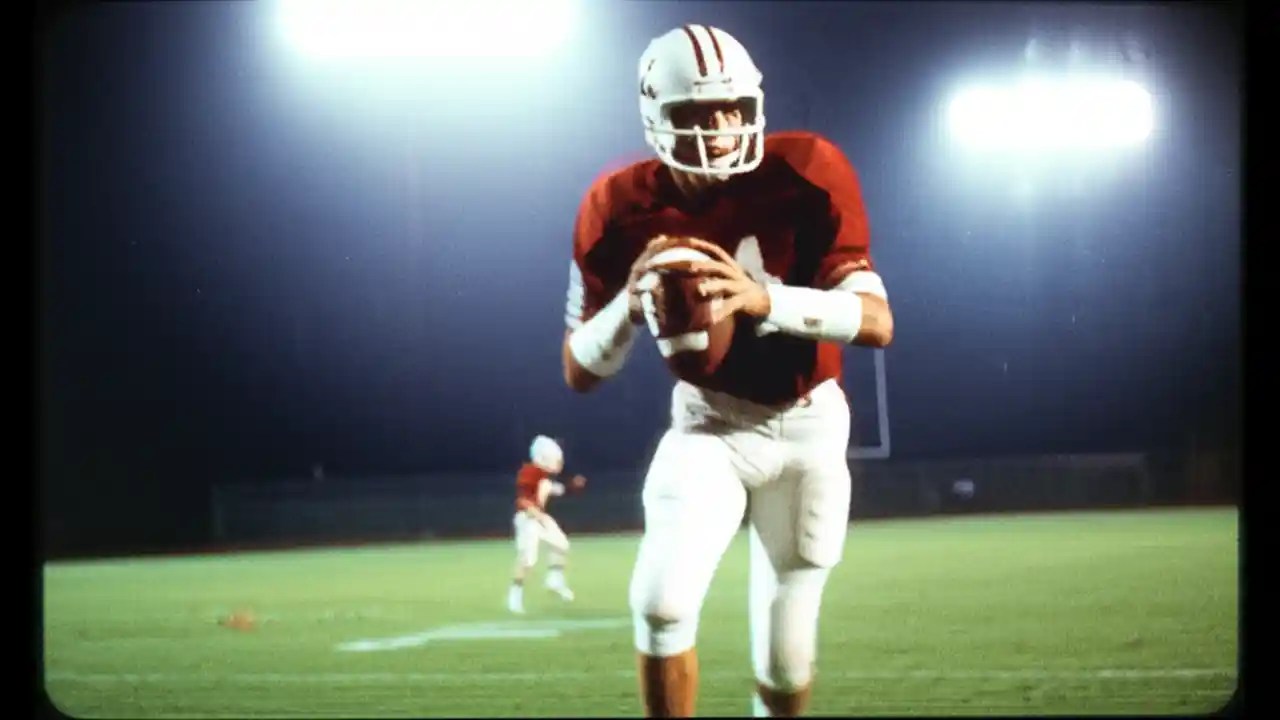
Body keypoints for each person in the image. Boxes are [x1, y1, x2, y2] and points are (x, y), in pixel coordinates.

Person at [559, 24, 895, 717]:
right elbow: (579, 371)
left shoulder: (806, 170)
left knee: (785, 653)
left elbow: (876, 321)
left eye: (732, 110)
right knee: (660, 602)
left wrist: (762, 299)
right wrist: (629, 302)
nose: (719, 130)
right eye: (696, 114)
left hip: (808, 426)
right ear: (656, 116)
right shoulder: (615, 207)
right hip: (709, 424)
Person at [508, 435, 587, 614]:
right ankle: (515, 595)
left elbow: (557, 489)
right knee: (528, 559)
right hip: (528, 518)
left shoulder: (543, 477)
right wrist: (535, 514)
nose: (558, 463)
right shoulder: (530, 472)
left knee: (562, 545)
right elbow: (522, 500)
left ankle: (554, 579)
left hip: (539, 517)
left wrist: (573, 486)